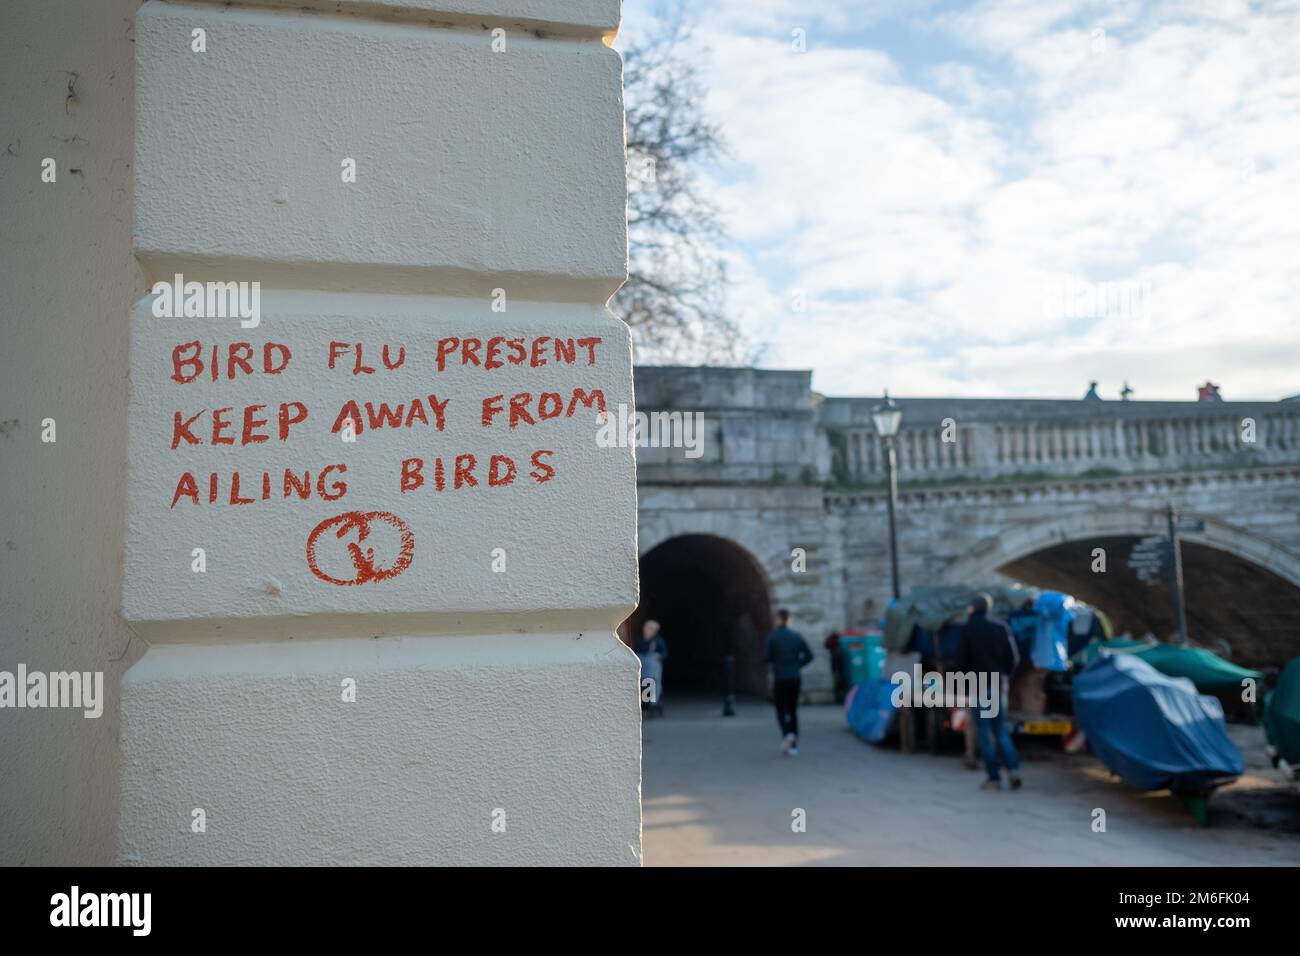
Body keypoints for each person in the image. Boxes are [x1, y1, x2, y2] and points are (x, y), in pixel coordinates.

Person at [956, 594, 1022, 791]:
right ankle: (1014, 771)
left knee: (984, 732)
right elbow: (1013, 658)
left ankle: (993, 779)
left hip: (978, 685)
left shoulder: (967, 630)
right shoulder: (1000, 627)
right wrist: (1005, 676)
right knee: (1000, 730)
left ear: (972, 608)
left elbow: (961, 661)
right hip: (998, 684)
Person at [765, 609, 813, 755]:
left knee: (780, 709)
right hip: (795, 677)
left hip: (780, 677)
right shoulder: (796, 636)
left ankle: (787, 734)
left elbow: (767, 657)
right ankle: (794, 746)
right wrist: (797, 664)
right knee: (792, 710)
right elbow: (809, 655)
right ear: (789, 619)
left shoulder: (772, 637)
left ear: (778, 619)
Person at [634, 620, 668, 718]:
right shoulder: (640, 639)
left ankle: (651, 707)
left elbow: (664, 653)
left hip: (652, 668)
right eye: (646, 628)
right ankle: (644, 707)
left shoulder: (658, 641)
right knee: (642, 684)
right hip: (642, 666)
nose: (646, 630)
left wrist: (657, 656)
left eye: (649, 629)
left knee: (651, 684)